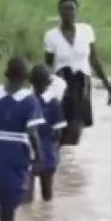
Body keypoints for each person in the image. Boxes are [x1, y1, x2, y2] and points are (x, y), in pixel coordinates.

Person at [42, 0, 111, 159]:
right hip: (62, 84)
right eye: (64, 8)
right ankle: (55, 163)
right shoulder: (51, 35)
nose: (68, 12)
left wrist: (108, 86)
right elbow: (49, 64)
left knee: (76, 132)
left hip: (82, 84)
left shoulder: (86, 30)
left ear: (77, 11)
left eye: (71, 8)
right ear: (59, 11)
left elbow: (94, 60)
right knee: (61, 128)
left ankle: (60, 165)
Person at [0, 56, 45, 221]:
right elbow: (32, 133)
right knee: (13, 199)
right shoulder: (29, 100)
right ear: (25, 78)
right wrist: (39, 157)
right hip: (14, 155)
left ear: (6, 74)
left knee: (4, 202)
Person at [28, 64, 67, 202]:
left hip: (29, 155)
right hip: (48, 155)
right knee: (47, 198)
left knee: (26, 201)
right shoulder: (54, 102)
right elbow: (59, 133)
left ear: (30, 82)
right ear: (49, 83)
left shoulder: (26, 101)